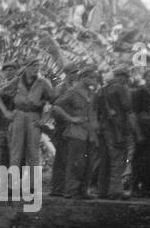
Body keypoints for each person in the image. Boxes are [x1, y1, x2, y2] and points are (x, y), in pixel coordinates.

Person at [54, 65, 99, 199]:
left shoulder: (91, 94)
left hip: (89, 133)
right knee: (76, 163)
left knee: (89, 163)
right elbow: (56, 106)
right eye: (91, 78)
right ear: (83, 78)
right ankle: (71, 191)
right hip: (76, 132)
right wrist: (70, 118)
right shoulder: (72, 91)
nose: (93, 80)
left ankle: (83, 190)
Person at [96, 65, 137, 199]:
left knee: (105, 160)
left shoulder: (102, 90)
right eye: (125, 76)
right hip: (117, 129)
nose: (126, 80)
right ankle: (115, 191)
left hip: (103, 129)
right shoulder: (120, 88)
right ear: (120, 76)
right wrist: (135, 130)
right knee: (118, 160)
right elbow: (127, 108)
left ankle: (103, 191)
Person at [8, 57, 56, 168]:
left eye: (38, 66)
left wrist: (45, 119)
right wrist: (7, 113)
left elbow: (54, 101)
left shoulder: (43, 83)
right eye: (33, 66)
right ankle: (12, 183)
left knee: (33, 152)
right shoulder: (17, 81)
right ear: (26, 67)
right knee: (16, 151)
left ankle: (33, 184)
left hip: (34, 117)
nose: (36, 68)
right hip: (18, 115)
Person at [49, 64, 79, 196]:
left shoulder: (74, 87)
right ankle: (58, 188)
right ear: (67, 73)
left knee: (69, 158)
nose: (75, 75)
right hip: (63, 126)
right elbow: (55, 108)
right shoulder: (61, 88)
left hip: (72, 126)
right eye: (72, 72)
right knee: (62, 158)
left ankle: (65, 188)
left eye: (75, 72)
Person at [130, 71, 150, 198]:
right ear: (145, 78)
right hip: (141, 129)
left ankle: (147, 187)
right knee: (138, 159)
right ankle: (134, 186)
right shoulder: (138, 93)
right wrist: (138, 132)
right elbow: (133, 114)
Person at [0, 61, 19, 166]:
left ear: (16, 71)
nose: (9, 72)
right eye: (6, 70)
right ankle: (1, 179)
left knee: (15, 153)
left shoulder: (19, 86)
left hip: (14, 121)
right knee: (2, 154)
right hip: (0, 124)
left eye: (11, 70)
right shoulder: (2, 86)